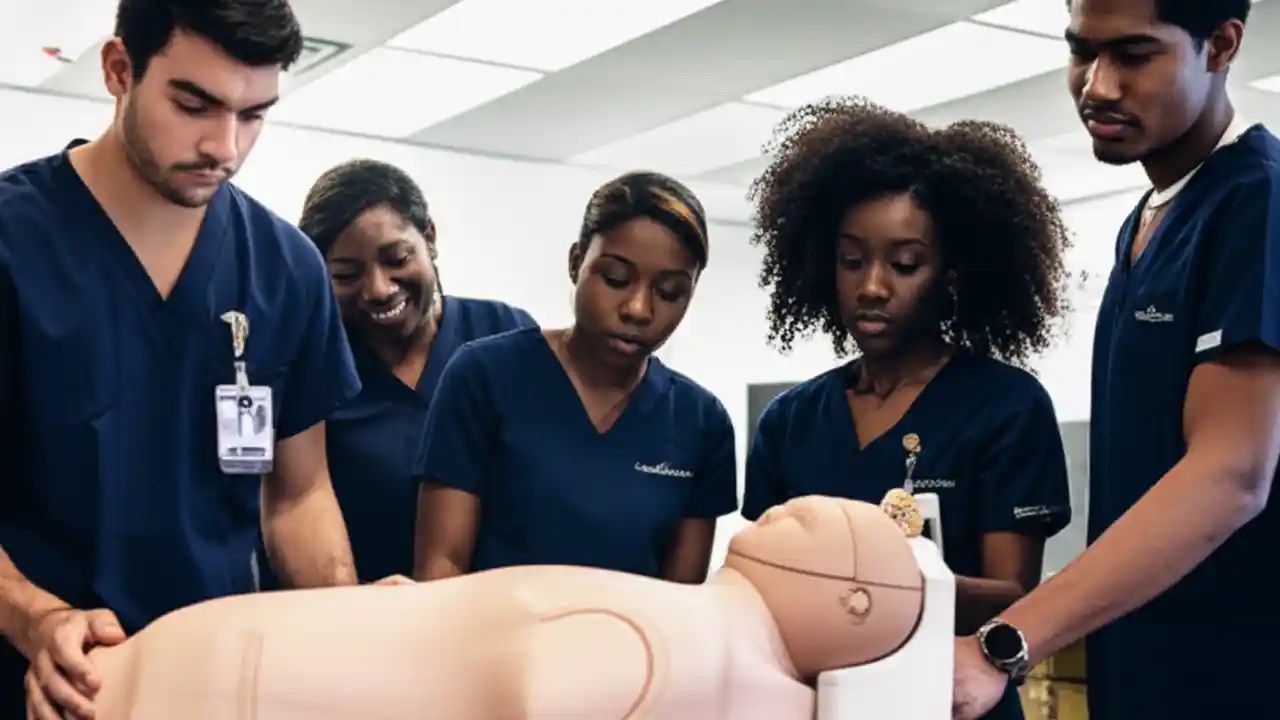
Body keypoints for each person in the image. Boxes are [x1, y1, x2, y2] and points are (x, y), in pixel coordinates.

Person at [0, 1, 364, 718]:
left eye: (254, 114)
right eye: (194, 104)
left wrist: (351, 627)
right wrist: (36, 619)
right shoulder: (14, 245)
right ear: (118, 70)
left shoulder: (285, 267)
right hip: (45, 683)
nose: (223, 146)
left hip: (215, 686)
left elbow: (297, 498)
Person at [951, 2, 1280, 718]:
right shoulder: (1150, 219)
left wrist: (1003, 642)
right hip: (1143, 673)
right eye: (1082, 53)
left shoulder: (1257, 202)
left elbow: (1231, 476)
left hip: (1233, 682)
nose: (1096, 86)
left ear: (1220, 46)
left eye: (1133, 55)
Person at [743, 96, 1074, 720]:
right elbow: (762, 586)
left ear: (949, 274)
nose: (872, 286)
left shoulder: (1004, 406)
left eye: (904, 264)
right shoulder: (790, 422)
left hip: (950, 702)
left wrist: (875, 586)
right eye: (851, 261)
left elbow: (1013, 593)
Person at [86, 496, 924, 720]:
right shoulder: (703, 628)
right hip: (235, 659)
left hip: (275, 674)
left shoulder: (712, 655)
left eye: (809, 521)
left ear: (854, 601)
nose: (776, 515)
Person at [414, 171, 738, 584]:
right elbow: (441, 569)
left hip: (634, 645)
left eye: (670, 292)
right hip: (498, 643)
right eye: (616, 279)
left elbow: (683, 604)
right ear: (575, 262)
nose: (638, 309)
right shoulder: (485, 376)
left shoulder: (700, 422)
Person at [290, 159, 536, 584]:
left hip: (501, 609)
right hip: (369, 616)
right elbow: (292, 504)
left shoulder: (505, 334)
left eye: (396, 258)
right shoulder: (315, 365)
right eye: (346, 275)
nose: (379, 288)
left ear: (430, 238)